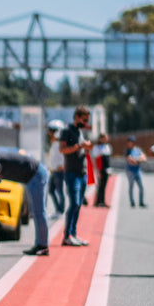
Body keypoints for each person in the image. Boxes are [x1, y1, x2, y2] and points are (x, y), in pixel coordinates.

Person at [0, 143, 49, 256]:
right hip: (36, 173)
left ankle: (43, 246)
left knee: (39, 212)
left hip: (35, 174)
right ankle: (41, 244)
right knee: (38, 212)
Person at [57, 106, 92, 247]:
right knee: (74, 204)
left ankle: (74, 234)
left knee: (78, 205)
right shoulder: (66, 131)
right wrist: (79, 146)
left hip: (82, 173)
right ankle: (67, 236)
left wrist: (87, 147)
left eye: (87, 120)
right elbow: (62, 149)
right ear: (77, 117)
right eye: (84, 120)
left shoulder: (80, 131)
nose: (85, 123)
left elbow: (83, 148)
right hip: (72, 173)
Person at [46, 121, 66, 215]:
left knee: (59, 191)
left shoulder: (60, 144)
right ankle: (58, 208)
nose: (49, 133)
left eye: (51, 130)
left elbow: (65, 156)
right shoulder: (54, 143)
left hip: (59, 171)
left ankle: (61, 210)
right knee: (51, 191)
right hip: (53, 171)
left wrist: (62, 166)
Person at [124, 136, 147, 207]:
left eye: (133, 141)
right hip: (130, 171)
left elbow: (144, 158)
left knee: (141, 186)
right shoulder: (127, 151)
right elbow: (130, 161)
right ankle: (132, 202)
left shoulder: (138, 149)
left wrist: (136, 160)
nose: (132, 143)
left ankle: (141, 202)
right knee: (131, 186)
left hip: (138, 170)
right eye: (131, 142)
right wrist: (138, 159)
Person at [92, 132, 111, 207]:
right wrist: (97, 171)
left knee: (104, 185)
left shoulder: (107, 147)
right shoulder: (97, 147)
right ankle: (97, 201)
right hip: (100, 168)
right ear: (101, 139)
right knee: (100, 185)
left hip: (106, 168)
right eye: (105, 138)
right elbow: (95, 159)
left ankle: (102, 201)